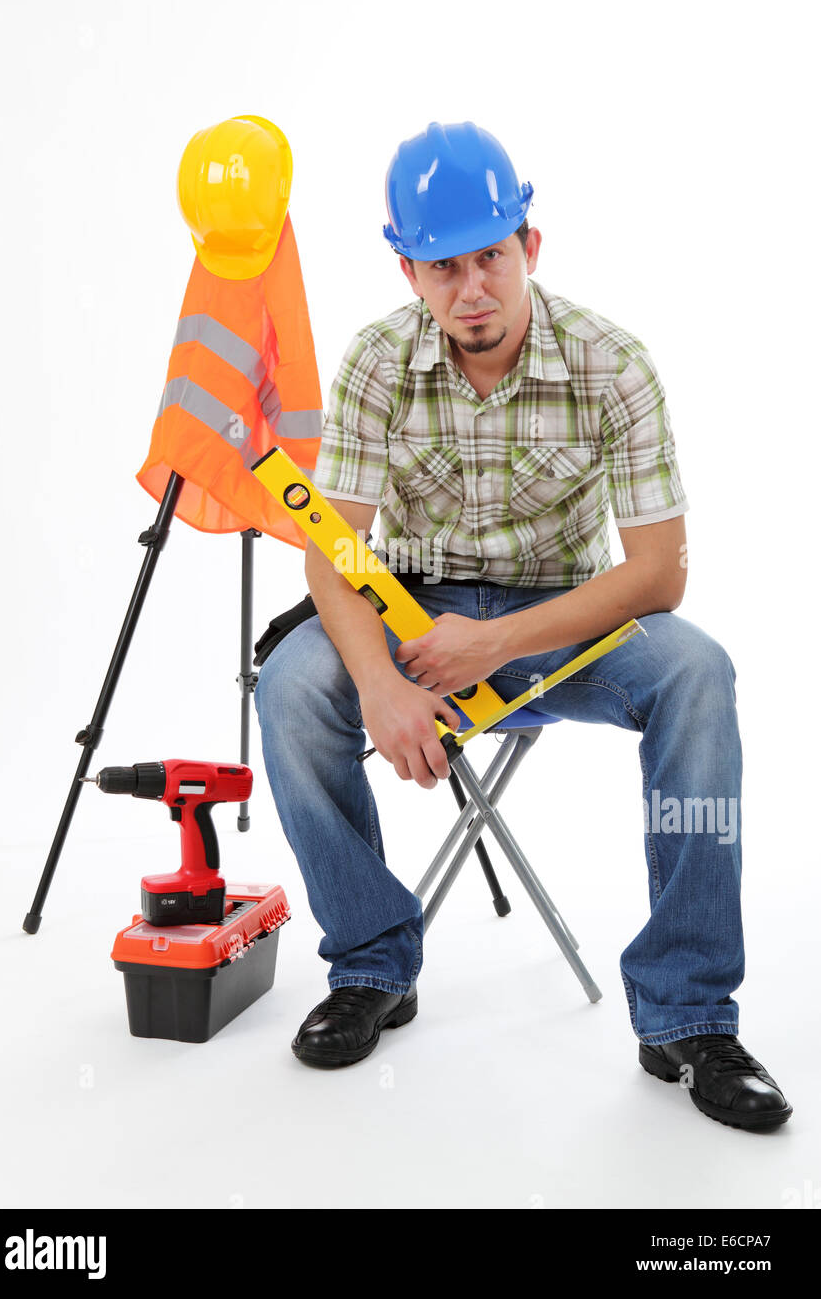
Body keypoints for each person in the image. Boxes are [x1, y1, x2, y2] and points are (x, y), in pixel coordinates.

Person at [254, 121, 792, 1130]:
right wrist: (378, 680)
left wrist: (493, 641)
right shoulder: (375, 362)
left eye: (490, 257)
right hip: (406, 612)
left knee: (697, 675)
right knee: (287, 687)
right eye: (443, 266)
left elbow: (657, 574)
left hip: (565, 626)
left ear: (528, 247)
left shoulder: (611, 363)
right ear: (407, 269)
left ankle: (686, 1013)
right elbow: (335, 553)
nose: (471, 289)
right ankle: (372, 962)